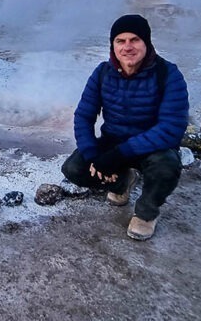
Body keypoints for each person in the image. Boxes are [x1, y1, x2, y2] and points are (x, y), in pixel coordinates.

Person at [61, 14, 189, 240]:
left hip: (152, 147)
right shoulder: (102, 73)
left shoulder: (168, 74)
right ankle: (122, 182)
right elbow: (83, 116)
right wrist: (93, 155)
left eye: (134, 40)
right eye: (120, 41)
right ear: (113, 45)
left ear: (146, 43)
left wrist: (118, 155)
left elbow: (171, 128)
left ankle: (146, 212)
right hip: (113, 141)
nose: (127, 47)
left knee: (166, 167)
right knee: (73, 168)